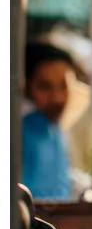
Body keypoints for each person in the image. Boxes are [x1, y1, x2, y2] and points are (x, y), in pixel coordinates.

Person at [21, 42, 75, 201]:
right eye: (45, 87)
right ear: (25, 86)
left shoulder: (55, 130)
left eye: (63, 86)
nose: (57, 98)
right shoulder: (18, 133)